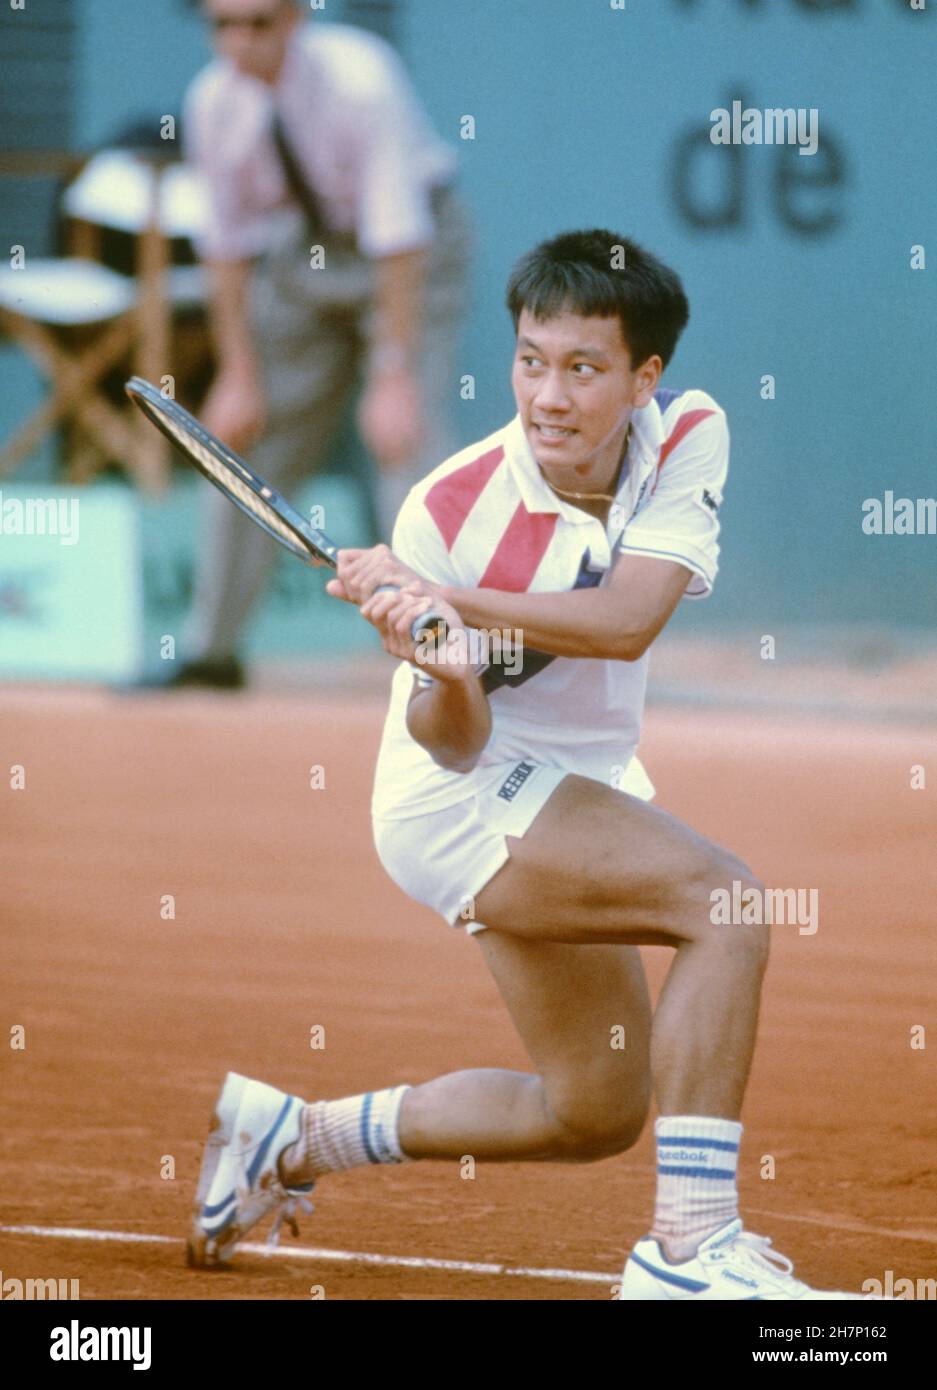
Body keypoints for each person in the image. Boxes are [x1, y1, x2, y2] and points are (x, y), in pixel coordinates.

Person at [187, 229, 865, 1300]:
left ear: (644, 378)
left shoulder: (688, 430)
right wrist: (442, 667)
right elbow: (445, 739)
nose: (549, 395)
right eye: (529, 360)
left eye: (584, 368)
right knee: (725, 904)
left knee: (590, 1109)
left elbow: (627, 618)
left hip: (581, 783)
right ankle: (688, 1252)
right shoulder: (447, 513)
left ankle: (291, 1137)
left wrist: (446, 602)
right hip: (458, 796)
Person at [169, 0, 469, 688]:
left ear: (297, 17)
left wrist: (392, 374)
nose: (239, 42)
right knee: (242, 445)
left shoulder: (362, 76)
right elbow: (224, 246)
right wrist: (238, 374)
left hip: (413, 249)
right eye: (222, 26)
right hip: (303, 255)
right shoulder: (211, 100)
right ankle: (209, 654)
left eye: (258, 23)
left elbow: (398, 231)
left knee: (405, 443)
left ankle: (442, 649)